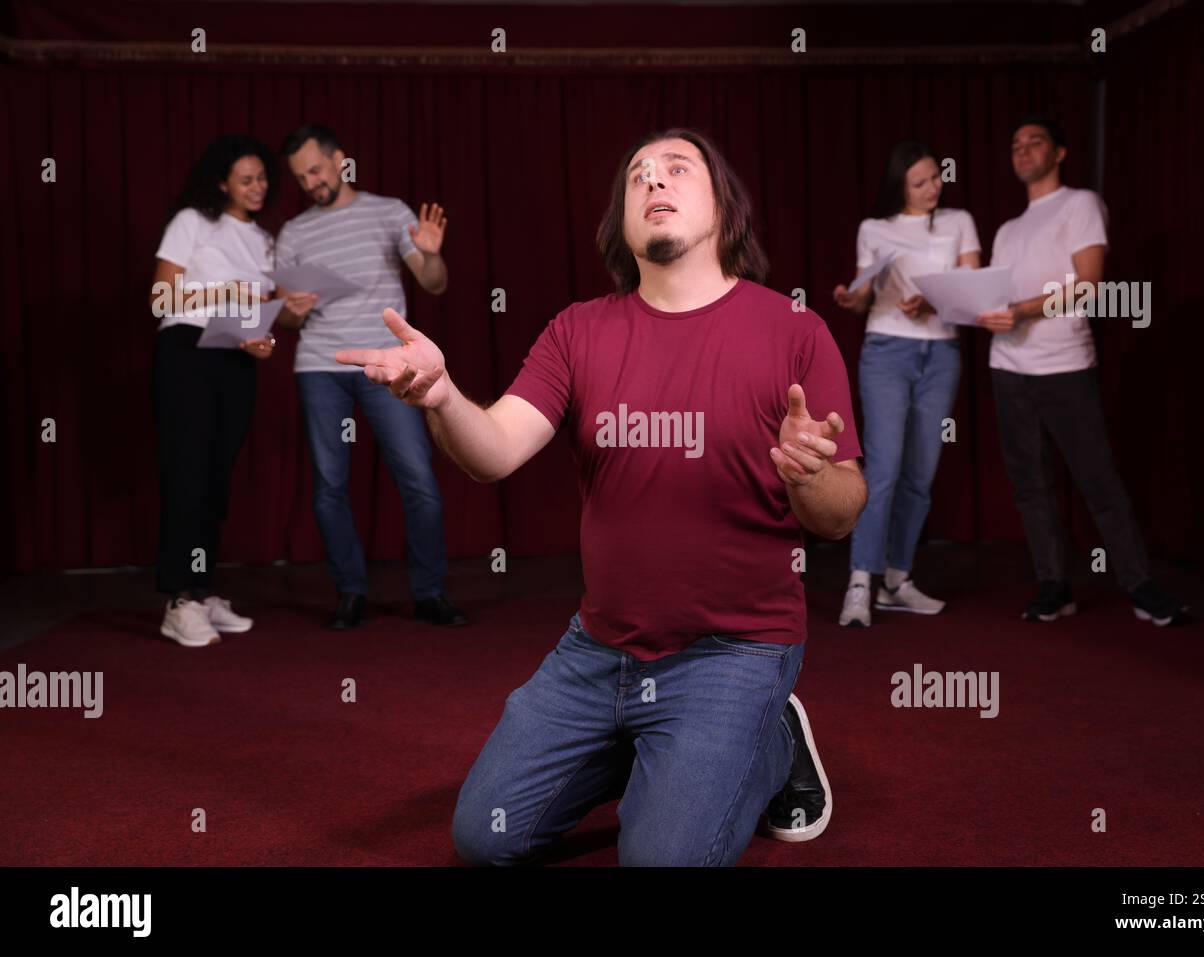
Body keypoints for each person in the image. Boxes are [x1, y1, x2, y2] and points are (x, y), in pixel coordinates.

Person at [338, 128, 866, 865]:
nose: (654, 181)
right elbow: (491, 452)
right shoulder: (577, 331)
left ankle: (769, 735)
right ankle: (661, 745)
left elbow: (841, 513)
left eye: (677, 169)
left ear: (725, 207)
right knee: (484, 837)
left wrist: (811, 475)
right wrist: (442, 394)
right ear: (621, 221)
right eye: (637, 177)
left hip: (732, 651)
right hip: (598, 651)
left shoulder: (793, 331)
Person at [976, 117, 1187, 626]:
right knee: (1030, 483)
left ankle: (1140, 586)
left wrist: (1023, 311)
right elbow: (999, 295)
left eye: (1035, 142)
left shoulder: (1081, 204)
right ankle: (1054, 586)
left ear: (1061, 152)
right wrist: (981, 309)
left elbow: (1091, 285)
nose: (1023, 150)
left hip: (1065, 365)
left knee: (1098, 480)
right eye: (1015, 144)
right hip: (1008, 366)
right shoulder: (1007, 229)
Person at [275, 123, 466, 630]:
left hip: (386, 365)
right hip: (320, 365)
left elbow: (435, 282)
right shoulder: (294, 232)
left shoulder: (389, 211)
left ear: (340, 159)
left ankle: (428, 593)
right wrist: (291, 309)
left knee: (418, 478)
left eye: (316, 170)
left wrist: (428, 251)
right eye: (301, 177)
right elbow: (286, 319)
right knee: (328, 487)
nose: (311, 183)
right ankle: (350, 593)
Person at [833, 140, 980, 627]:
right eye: (920, 182)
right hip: (886, 352)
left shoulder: (959, 222)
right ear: (900, 187)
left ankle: (896, 580)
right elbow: (862, 294)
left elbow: (975, 290)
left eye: (937, 177)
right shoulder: (874, 228)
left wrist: (936, 303)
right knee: (884, 470)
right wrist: (850, 298)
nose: (932, 187)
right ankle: (860, 581)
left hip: (941, 353)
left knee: (921, 473)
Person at [150, 134, 279, 647]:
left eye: (263, 178)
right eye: (246, 179)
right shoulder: (192, 222)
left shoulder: (266, 240)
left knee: (217, 478)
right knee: (187, 472)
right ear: (222, 181)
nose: (257, 187)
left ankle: (202, 592)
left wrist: (261, 342)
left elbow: (260, 313)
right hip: (186, 352)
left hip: (234, 358)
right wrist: (230, 292)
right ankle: (177, 599)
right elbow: (161, 296)